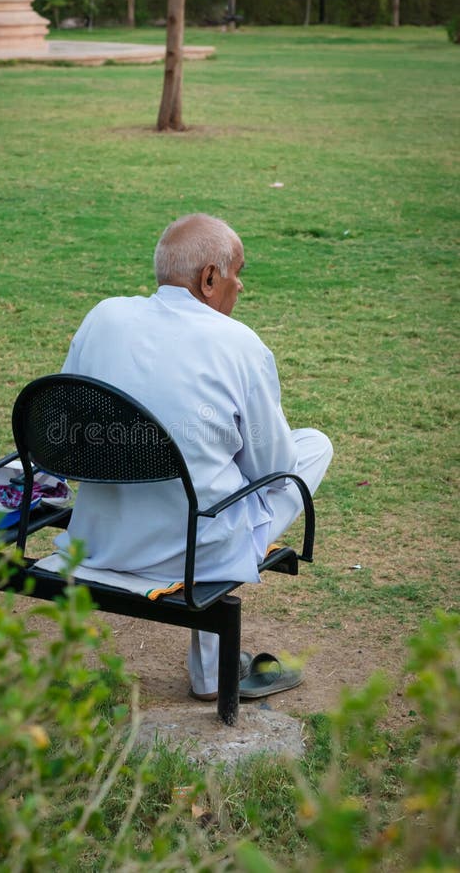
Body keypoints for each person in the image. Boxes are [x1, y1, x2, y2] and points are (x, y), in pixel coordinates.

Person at [60, 213, 333, 699]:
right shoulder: (239, 344)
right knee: (309, 449)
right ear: (210, 278)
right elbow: (273, 472)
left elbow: (66, 432)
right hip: (190, 555)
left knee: (205, 467)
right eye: (237, 272)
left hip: (99, 539)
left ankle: (211, 668)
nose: (241, 286)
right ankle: (210, 674)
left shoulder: (103, 316)